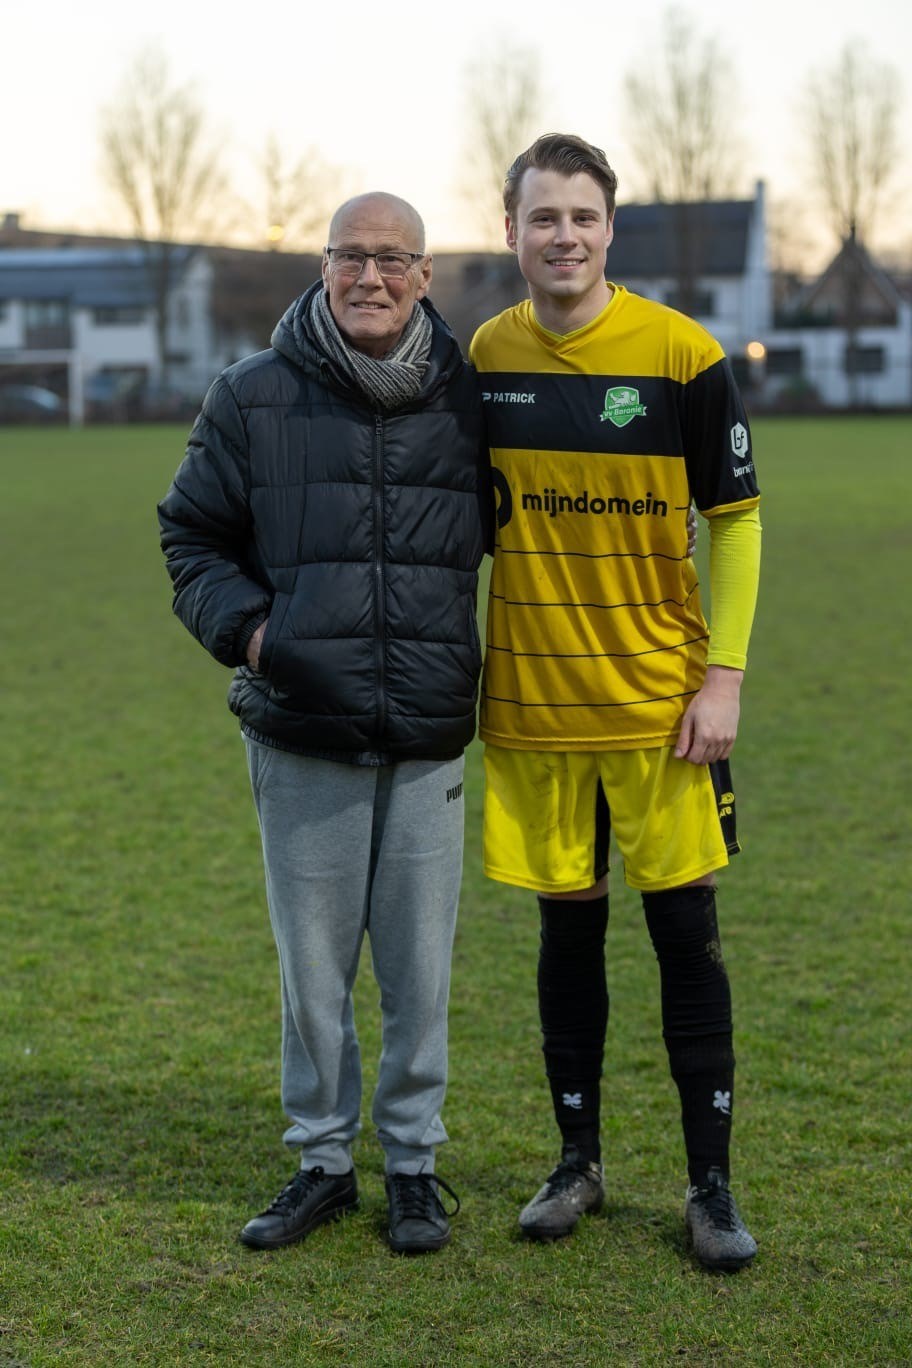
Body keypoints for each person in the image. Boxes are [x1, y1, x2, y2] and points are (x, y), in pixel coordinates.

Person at [158, 193, 490, 1255]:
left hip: (430, 730)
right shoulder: (253, 396)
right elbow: (191, 535)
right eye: (352, 256)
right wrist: (254, 639)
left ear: (426, 276)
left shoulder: (470, 400)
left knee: (419, 973)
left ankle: (412, 1167)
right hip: (301, 728)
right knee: (312, 973)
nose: (371, 277)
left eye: (394, 260)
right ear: (323, 263)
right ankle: (321, 1162)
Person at [469, 134, 761, 1271]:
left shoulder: (683, 357)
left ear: (609, 229)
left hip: (662, 713)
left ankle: (711, 1187)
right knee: (566, 938)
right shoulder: (484, 357)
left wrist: (724, 674)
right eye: (544, 218)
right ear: (512, 232)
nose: (564, 237)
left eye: (583, 218)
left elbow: (735, 520)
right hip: (536, 712)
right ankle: (576, 1163)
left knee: (686, 938)